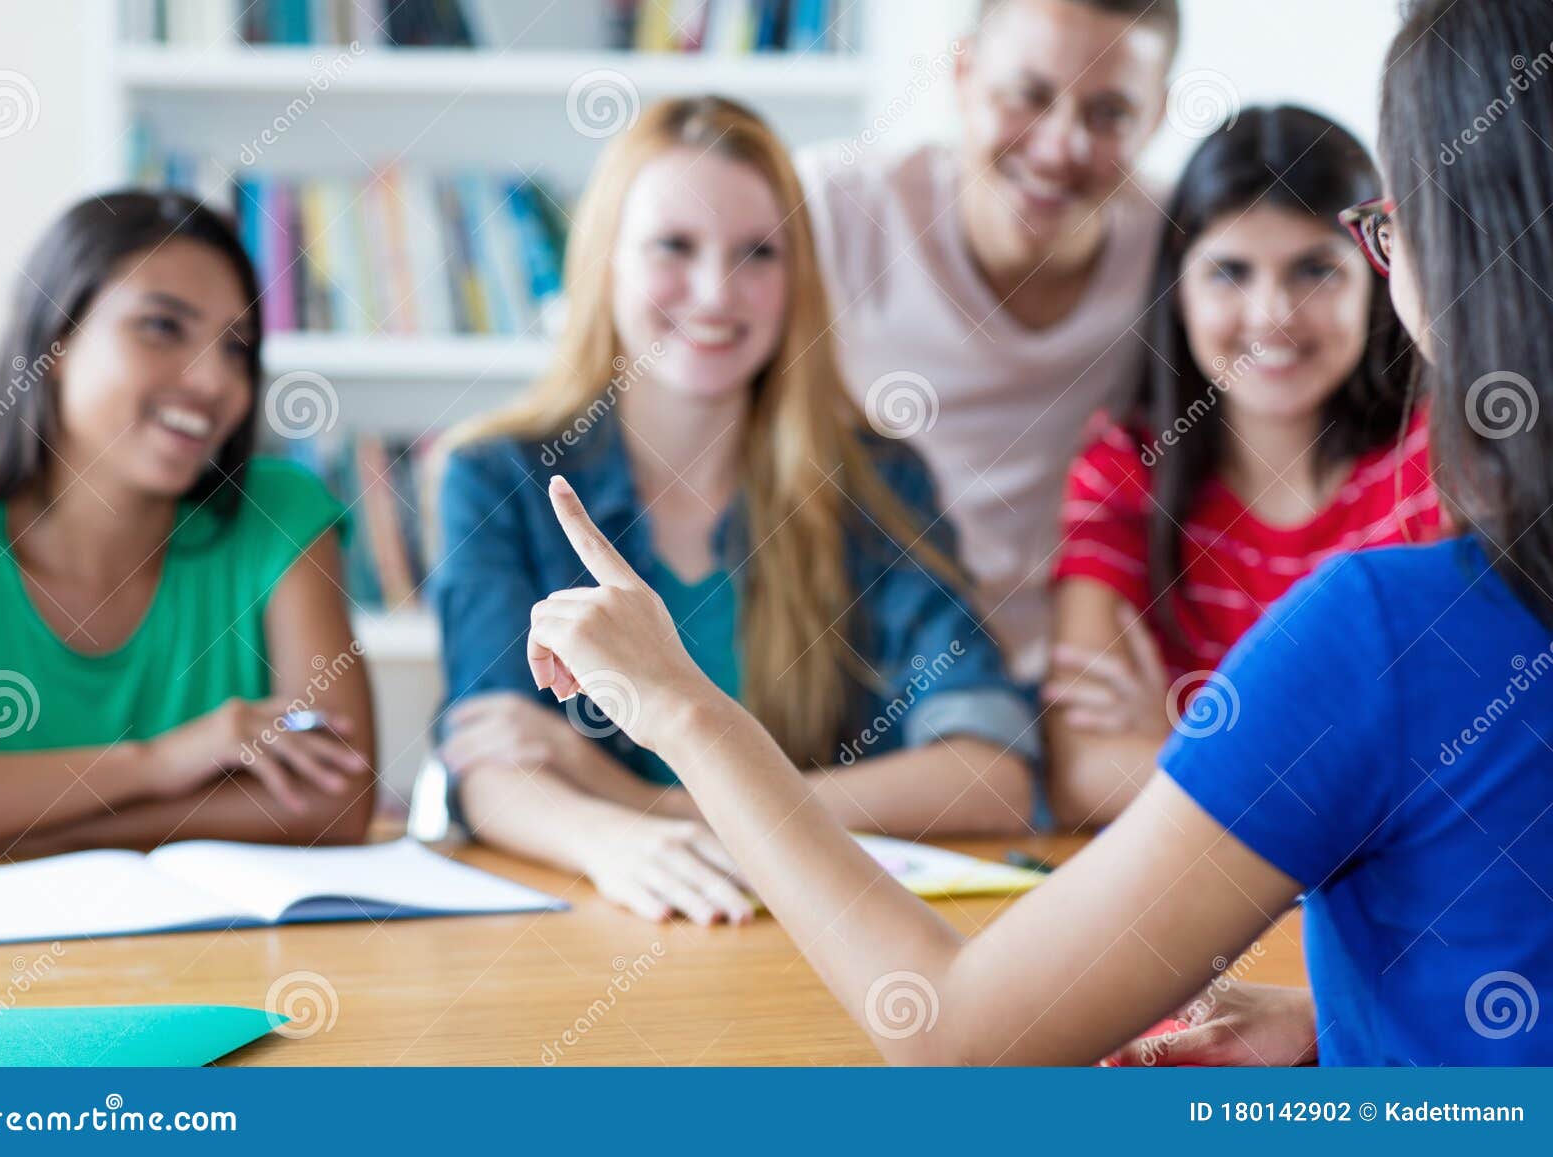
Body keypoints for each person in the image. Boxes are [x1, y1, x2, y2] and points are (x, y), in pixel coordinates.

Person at [515, 0, 1553, 1066]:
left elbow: (958, 1032)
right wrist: (1356, 1024)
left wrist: (683, 708)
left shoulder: (1379, 630)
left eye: (1380, 230)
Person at [433, 98, 1038, 927]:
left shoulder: (878, 480)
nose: (717, 292)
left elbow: (990, 772)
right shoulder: (494, 476)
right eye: (674, 247)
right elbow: (488, 762)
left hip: (824, 940)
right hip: (599, 931)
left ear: (798, 283)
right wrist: (607, 839)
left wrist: (663, 808)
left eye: (757, 253)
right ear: (606, 261)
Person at [1044, 107, 1441, 829]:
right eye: (1230, 271)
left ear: (1378, 278)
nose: (1273, 316)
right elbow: (1083, 774)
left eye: (1316, 270)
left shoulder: (1434, 459)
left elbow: (1446, 770)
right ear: (1179, 286)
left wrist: (1177, 748)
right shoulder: (1124, 470)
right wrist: (1339, 786)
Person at [0, 191, 375, 857]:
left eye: (237, 348)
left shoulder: (280, 515)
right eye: (162, 327)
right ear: (56, 340)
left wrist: (41, 832)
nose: (214, 381)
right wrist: (159, 762)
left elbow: (335, 800)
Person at [797, 0, 1176, 684]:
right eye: (1029, 96)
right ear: (964, 73)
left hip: (1065, 686)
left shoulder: (1185, 252)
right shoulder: (831, 209)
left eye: (1110, 113)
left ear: (1158, 115)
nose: (1061, 147)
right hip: (851, 666)